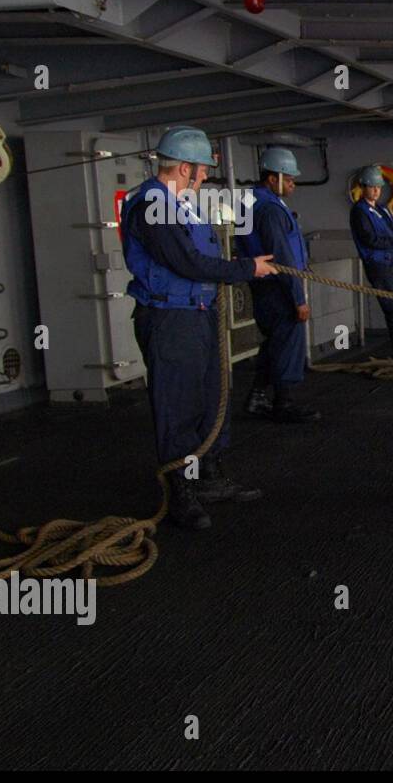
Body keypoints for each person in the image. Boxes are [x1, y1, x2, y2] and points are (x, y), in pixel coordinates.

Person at [121, 126, 277, 530]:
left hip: (199, 313)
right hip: (171, 318)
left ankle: (209, 474)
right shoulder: (151, 206)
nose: (206, 176)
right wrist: (247, 269)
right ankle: (180, 493)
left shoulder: (181, 204)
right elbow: (187, 263)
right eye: (202, 170)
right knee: (179, 405)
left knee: (211, 396)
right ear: (185, 168)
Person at [238, 147, 320, 424]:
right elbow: (281, 256)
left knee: (275, 342)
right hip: (279, 287)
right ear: (273, 179)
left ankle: (257, 396)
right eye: (290, 179)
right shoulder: (270, 209)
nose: (294, 184)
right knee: (287, 342)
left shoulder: (251, 202)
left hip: (264, 285)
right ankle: (284, 403)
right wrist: (299, 298)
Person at [349, 165, 393, 361]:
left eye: (378, 187)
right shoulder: (359, 212)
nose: (376, 190)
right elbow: (370, 240)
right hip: (379, 266)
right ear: (363, 187)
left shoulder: (384, 210)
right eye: (372, 187)